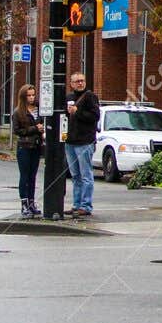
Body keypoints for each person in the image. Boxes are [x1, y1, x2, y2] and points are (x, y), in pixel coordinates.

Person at [63, 71, 101, 217]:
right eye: (77, 81)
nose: (80, 83)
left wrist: (77, 112)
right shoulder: (69, 97)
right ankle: (76, 204)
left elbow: (95, 116)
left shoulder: (90, 97)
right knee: (75, 175)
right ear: (71, 83)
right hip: (70, 141)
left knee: (86, 175)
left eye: (82, 80)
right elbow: (65, 116)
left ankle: (86, 205)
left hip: (85, 141)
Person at [11, 84, 42, 219]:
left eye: (33, 95)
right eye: (28, 95)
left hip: (36, 145)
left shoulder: (39, 109)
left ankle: (31, 202)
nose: (31, 98)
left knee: (33, 176)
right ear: (23, 97)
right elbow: (17, 131)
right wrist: (34, 128)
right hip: (24, 146)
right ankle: (24, 203)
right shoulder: (18, 112)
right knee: (25, 175)